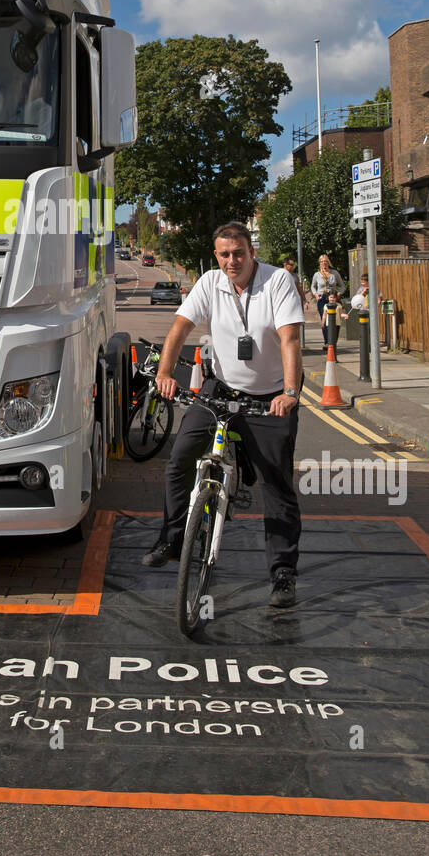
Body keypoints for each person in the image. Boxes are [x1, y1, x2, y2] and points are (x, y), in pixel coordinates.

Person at [142, 220, 305, 608]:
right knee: (180, 458)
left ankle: (283, 573)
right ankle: (173, 536)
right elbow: (179, 328)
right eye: (224, 254)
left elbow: (290, 338)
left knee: (275, 483)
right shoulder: (210, 282)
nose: (232, 261)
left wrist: (290, 391)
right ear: (216, 256)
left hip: (269, 396)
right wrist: (165, 373)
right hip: (221, 388)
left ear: (251, 253)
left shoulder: (277, 282)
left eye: (239, 253)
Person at [311, 254, 345, 348]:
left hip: (333, 299)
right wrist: (316, 295)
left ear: (328, 262)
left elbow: (342, 285)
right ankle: (327, 342)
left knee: (334, 320)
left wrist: (339, 294)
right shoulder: (317, 275)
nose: (324, 263)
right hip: (322, 299)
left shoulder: (334, 273)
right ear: (319, 263)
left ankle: (333, 341)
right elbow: (313, 286)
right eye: (321, 261)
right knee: (325, 319)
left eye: (325, 261)